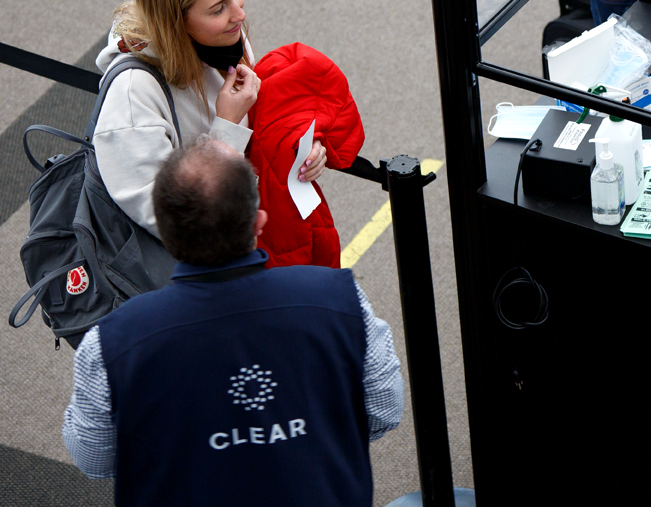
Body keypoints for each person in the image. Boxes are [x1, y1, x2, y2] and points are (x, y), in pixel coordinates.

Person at [62, 139, 403, 506]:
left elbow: (93, 458)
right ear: (258, 221)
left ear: (163, 229)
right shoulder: (342, 300)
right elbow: (385, 409)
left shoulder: (111, 342)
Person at [94, 0, 327, 239]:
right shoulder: (131, 98)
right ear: (174, 22)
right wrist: (226, 128)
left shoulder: (221, 40)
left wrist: (301, 148)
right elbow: (172, 218)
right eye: (218, 9)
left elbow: (259, 130)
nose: (240, 14)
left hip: (245, 236)